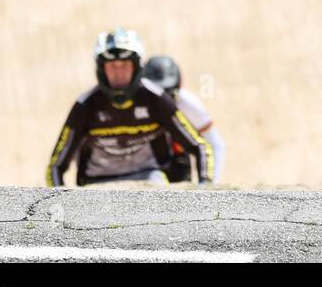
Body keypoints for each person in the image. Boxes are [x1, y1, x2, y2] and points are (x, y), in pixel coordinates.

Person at [46, 29, 215, 187]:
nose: (118, 73)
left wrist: (205, 189)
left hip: (149, 182)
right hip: (96, 186)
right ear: (101, 69)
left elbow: (200, 147)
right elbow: (55, 166)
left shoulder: (155, 98)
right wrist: (62, 211)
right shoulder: (85, 105)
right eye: (112, 66)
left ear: (136, 67)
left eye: (125, 65)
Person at [142, 55, 227, 184]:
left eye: (168, 94)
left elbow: (214, 143)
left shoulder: (188, 104)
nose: (163, 101)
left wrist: (211, 182)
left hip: (177, 163)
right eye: (156, 95)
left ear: (179, 86)